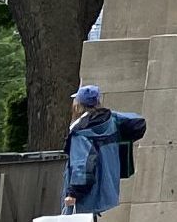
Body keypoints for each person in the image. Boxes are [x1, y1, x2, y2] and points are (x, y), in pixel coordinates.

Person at [62, 85, 144, 217]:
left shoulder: (80, 131)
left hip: (85, 195)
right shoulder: (111, 121)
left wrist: (73, 193)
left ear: (78, 105)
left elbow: (81, 164)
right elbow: (138, 122)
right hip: (104, 187)